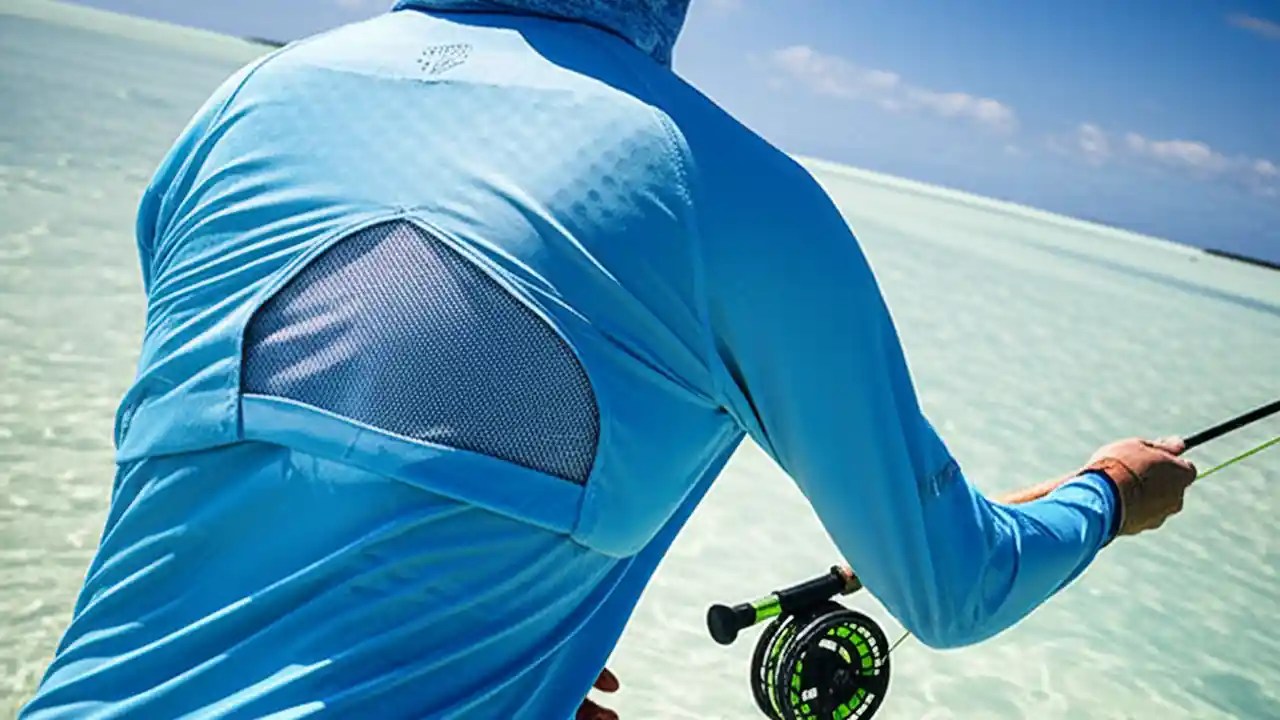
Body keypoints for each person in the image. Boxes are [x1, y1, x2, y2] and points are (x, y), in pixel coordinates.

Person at [21, 1, 1197, 718]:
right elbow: (954, 586)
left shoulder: (242, 103)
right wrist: (1106, 495)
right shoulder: (732, 194)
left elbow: (267, 442)